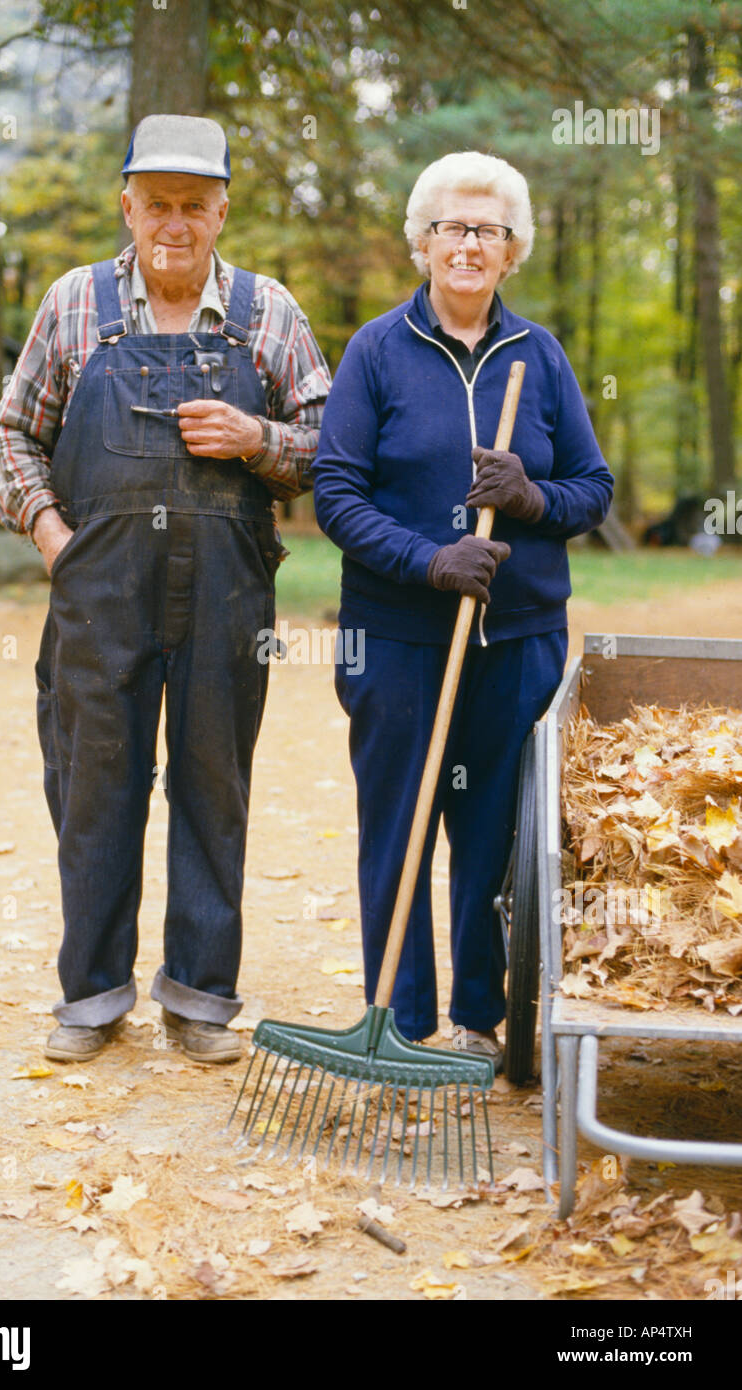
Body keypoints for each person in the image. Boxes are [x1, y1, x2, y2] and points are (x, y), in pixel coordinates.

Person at [0, 115, 330, 1064]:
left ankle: (198, 999)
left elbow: (332, 447)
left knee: (211, 783)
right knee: (95, 781)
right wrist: (56, 537)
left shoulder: (269, 314)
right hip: (99, 587)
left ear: (222, 212)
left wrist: (257, 440)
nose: (173, 224)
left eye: (195, 206)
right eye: (156, 205)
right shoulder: (74, 305)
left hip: (227, 589)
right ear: (127, 206)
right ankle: (92, 996)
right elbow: (15, 431)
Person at [313, 151, 613, 1071]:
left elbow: (591, 490)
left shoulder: (542, 357)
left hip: (514, 642)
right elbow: (334, 491)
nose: (469, 244)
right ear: (423, 241)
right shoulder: (376, 350)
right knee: (397, 830)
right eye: (451, 226)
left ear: (512, 248)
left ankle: (480, 1022)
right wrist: (430, 560)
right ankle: (400, 1028)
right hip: (398, 639)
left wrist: (529, 500)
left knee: (491, 838)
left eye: (488, 229)